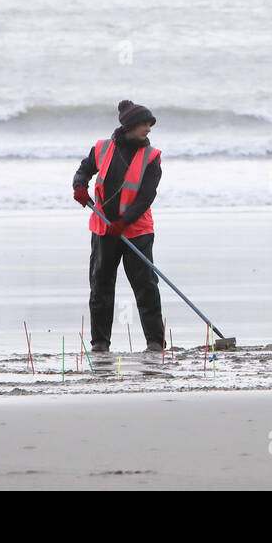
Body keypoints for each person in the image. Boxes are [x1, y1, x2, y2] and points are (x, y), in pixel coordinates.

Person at [72, 100, 165, 353]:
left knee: (145, 286)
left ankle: (155, 343)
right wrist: (79, 186)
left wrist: (124, 222)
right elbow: (84, 170)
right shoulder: (102, 148)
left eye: (150, 124)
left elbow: (146, 197)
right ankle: (100, 344)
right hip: (103, 229)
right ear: (130, 125)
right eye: (145, 123)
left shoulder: (151, 158)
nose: (148, 128)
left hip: (137, 231)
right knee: (100, 286)